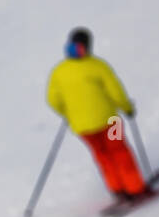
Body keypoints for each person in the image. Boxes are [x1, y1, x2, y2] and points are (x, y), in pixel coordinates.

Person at [46, 27, 149, 200]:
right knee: (120, 152)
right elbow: (115, 92)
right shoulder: (97, 66)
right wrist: (127, 108)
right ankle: (135, 188)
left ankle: (117, 189)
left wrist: (69, 113)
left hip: (82, 127)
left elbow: (53, 100)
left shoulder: (59, 71)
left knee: (103, 156)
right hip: (110, 121)